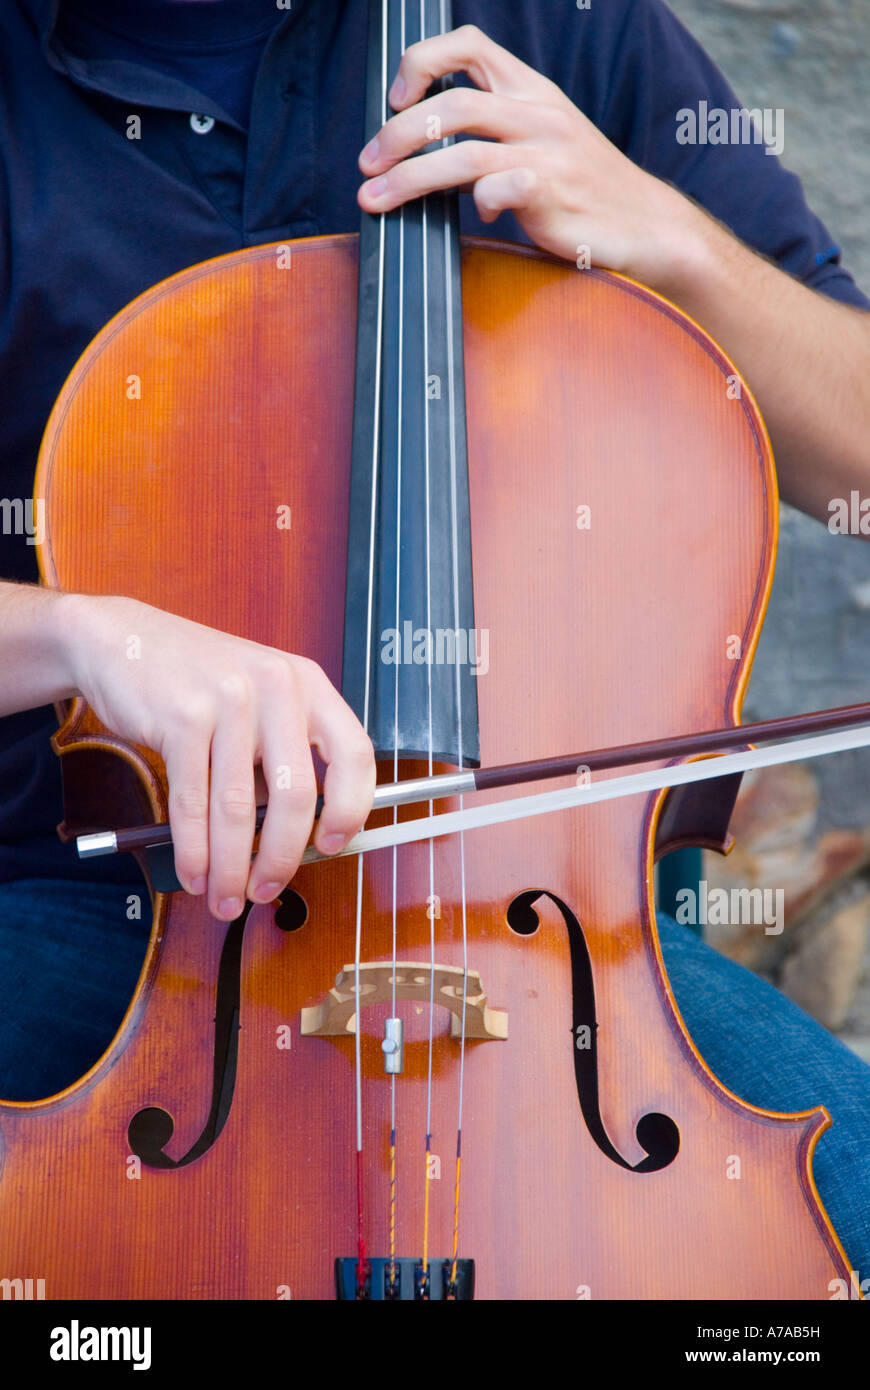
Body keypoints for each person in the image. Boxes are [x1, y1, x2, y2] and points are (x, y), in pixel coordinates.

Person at [1, 0, 869, 1282]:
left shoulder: (566, 32)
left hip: (547, 933)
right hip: (94, 908)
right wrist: (83, 633)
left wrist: (675, 242)